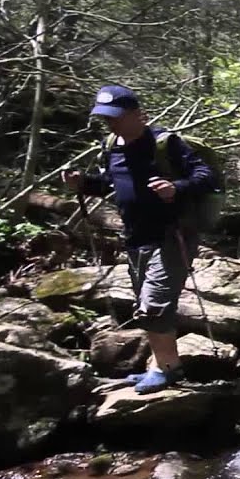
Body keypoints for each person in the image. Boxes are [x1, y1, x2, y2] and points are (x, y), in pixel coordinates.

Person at [63, 85, 218, 394]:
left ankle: (165, 369)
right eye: (105, 117)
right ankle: (167, 365)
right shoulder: (111, 146)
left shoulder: (165, 144)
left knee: (153, 306)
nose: (110, 123)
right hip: (135, 238)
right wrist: (83, 183)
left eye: (116, 117)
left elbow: (206, 176)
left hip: (172, 235)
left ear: (138, 116)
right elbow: (110, 184)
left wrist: (176, 187)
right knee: (146, 305)